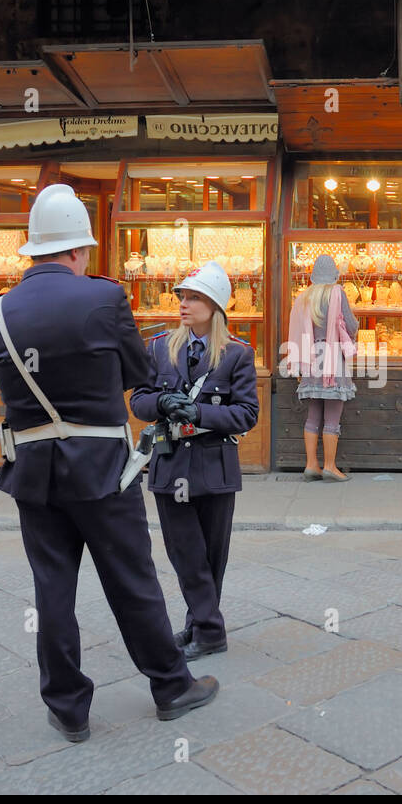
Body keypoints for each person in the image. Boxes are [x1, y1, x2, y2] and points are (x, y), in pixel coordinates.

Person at [0, 183, 217, 740]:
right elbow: (139, 373)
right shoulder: (103, 298)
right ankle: (170, 686)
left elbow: (9, 385)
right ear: (79, 251)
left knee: (52, 588)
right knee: (132, 580)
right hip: (103, 468)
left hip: (34, 470)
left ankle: (67, 706)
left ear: (32, 250)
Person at [130, 261, 258, 661]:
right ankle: (209, 629)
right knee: (184, 552)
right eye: (182, 296)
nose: (184, 304)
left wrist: (201, 414)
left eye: (194, 297)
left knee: (210, 557)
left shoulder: (237, 353)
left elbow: (247, 414)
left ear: (214, 305)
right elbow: (139, 400)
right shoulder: (159, 348)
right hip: (171, 468)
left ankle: (199, 626)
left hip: (214, 467)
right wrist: (162, 402)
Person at [287, 253, 357, 481]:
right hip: (332, 357)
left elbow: (295, 330)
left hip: (310, 357)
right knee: (333, 416)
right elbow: (352, 325)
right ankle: (329, 466)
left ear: (313, 276)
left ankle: (311, 465)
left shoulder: (304, 297)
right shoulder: (337, 293)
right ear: (334, 275)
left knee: (313, 414)